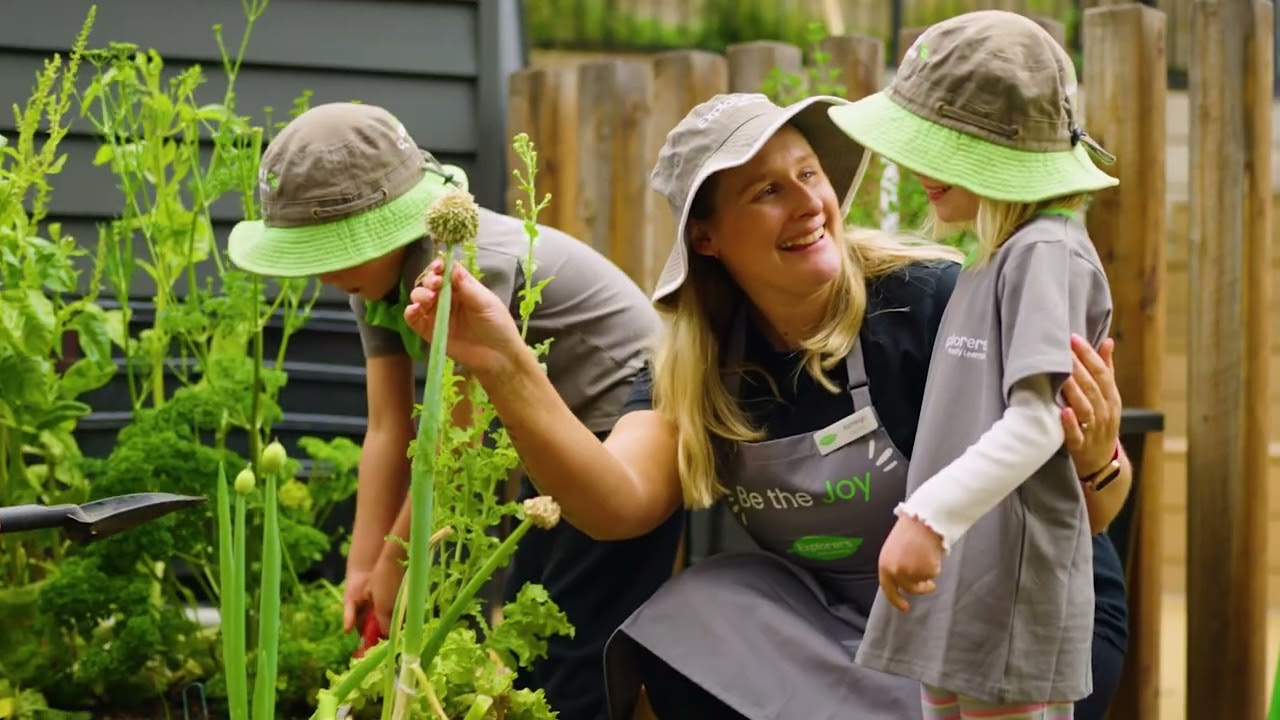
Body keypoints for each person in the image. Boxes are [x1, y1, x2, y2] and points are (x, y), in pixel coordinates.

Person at [401, 88, 1133, 719]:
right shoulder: (700, 363)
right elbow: (614, 502)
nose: (810, 203)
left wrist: (1098, 460)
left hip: (1008, 622)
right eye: (767, 191)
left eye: (809, 174)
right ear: (707, 237)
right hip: (841, 631)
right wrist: (505, 363)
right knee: (697, 613)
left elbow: (1086, 515)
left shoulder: (929, 306)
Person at [224, 101, 683, 720]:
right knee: (534, 628)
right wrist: (363, 568)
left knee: (574, 647)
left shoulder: (463, 262)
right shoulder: (372, 282)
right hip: (544, 431)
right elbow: (390, 427)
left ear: (387, 227)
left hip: (627, 417)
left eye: (331, 250)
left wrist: (398, 565)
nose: (323, 274)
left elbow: (455, 440)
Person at [825, 10, 1121, 719]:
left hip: (1007, 594)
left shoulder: (1047, 250)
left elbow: (1040, 421)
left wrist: (925, 518)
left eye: (945, 146)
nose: (919, 169)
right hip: (962, 583)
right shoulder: (990, 258)